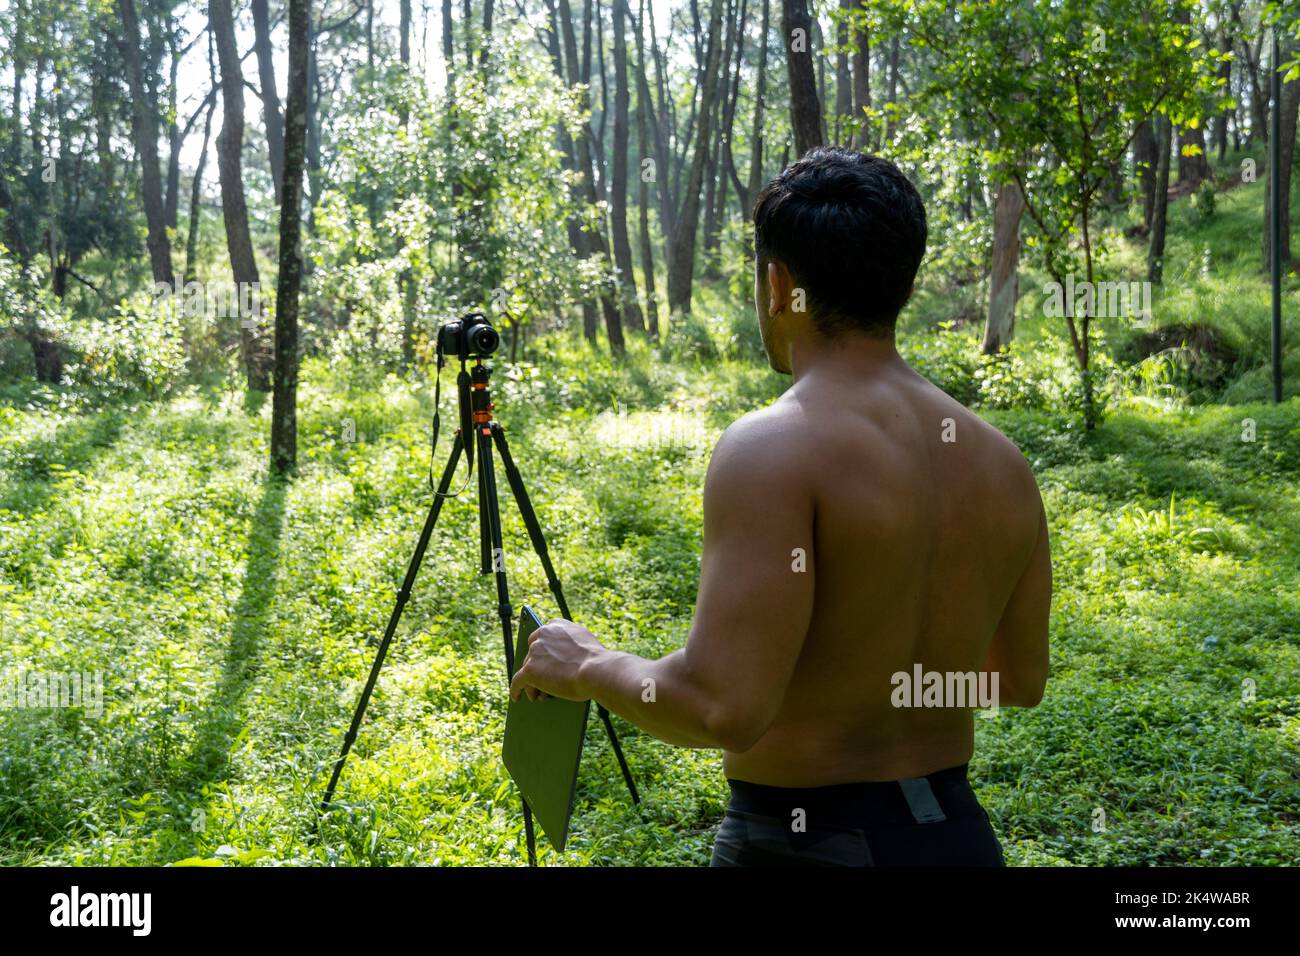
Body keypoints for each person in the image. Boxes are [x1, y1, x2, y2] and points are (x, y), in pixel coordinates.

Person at [509, 147, 1051, 866]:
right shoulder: (1002, 462)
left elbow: (722, 707)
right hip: (954, 839)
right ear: (902, 280)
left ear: (777, 283)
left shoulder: (773, 446)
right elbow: (1017, 681)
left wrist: (588, 665)